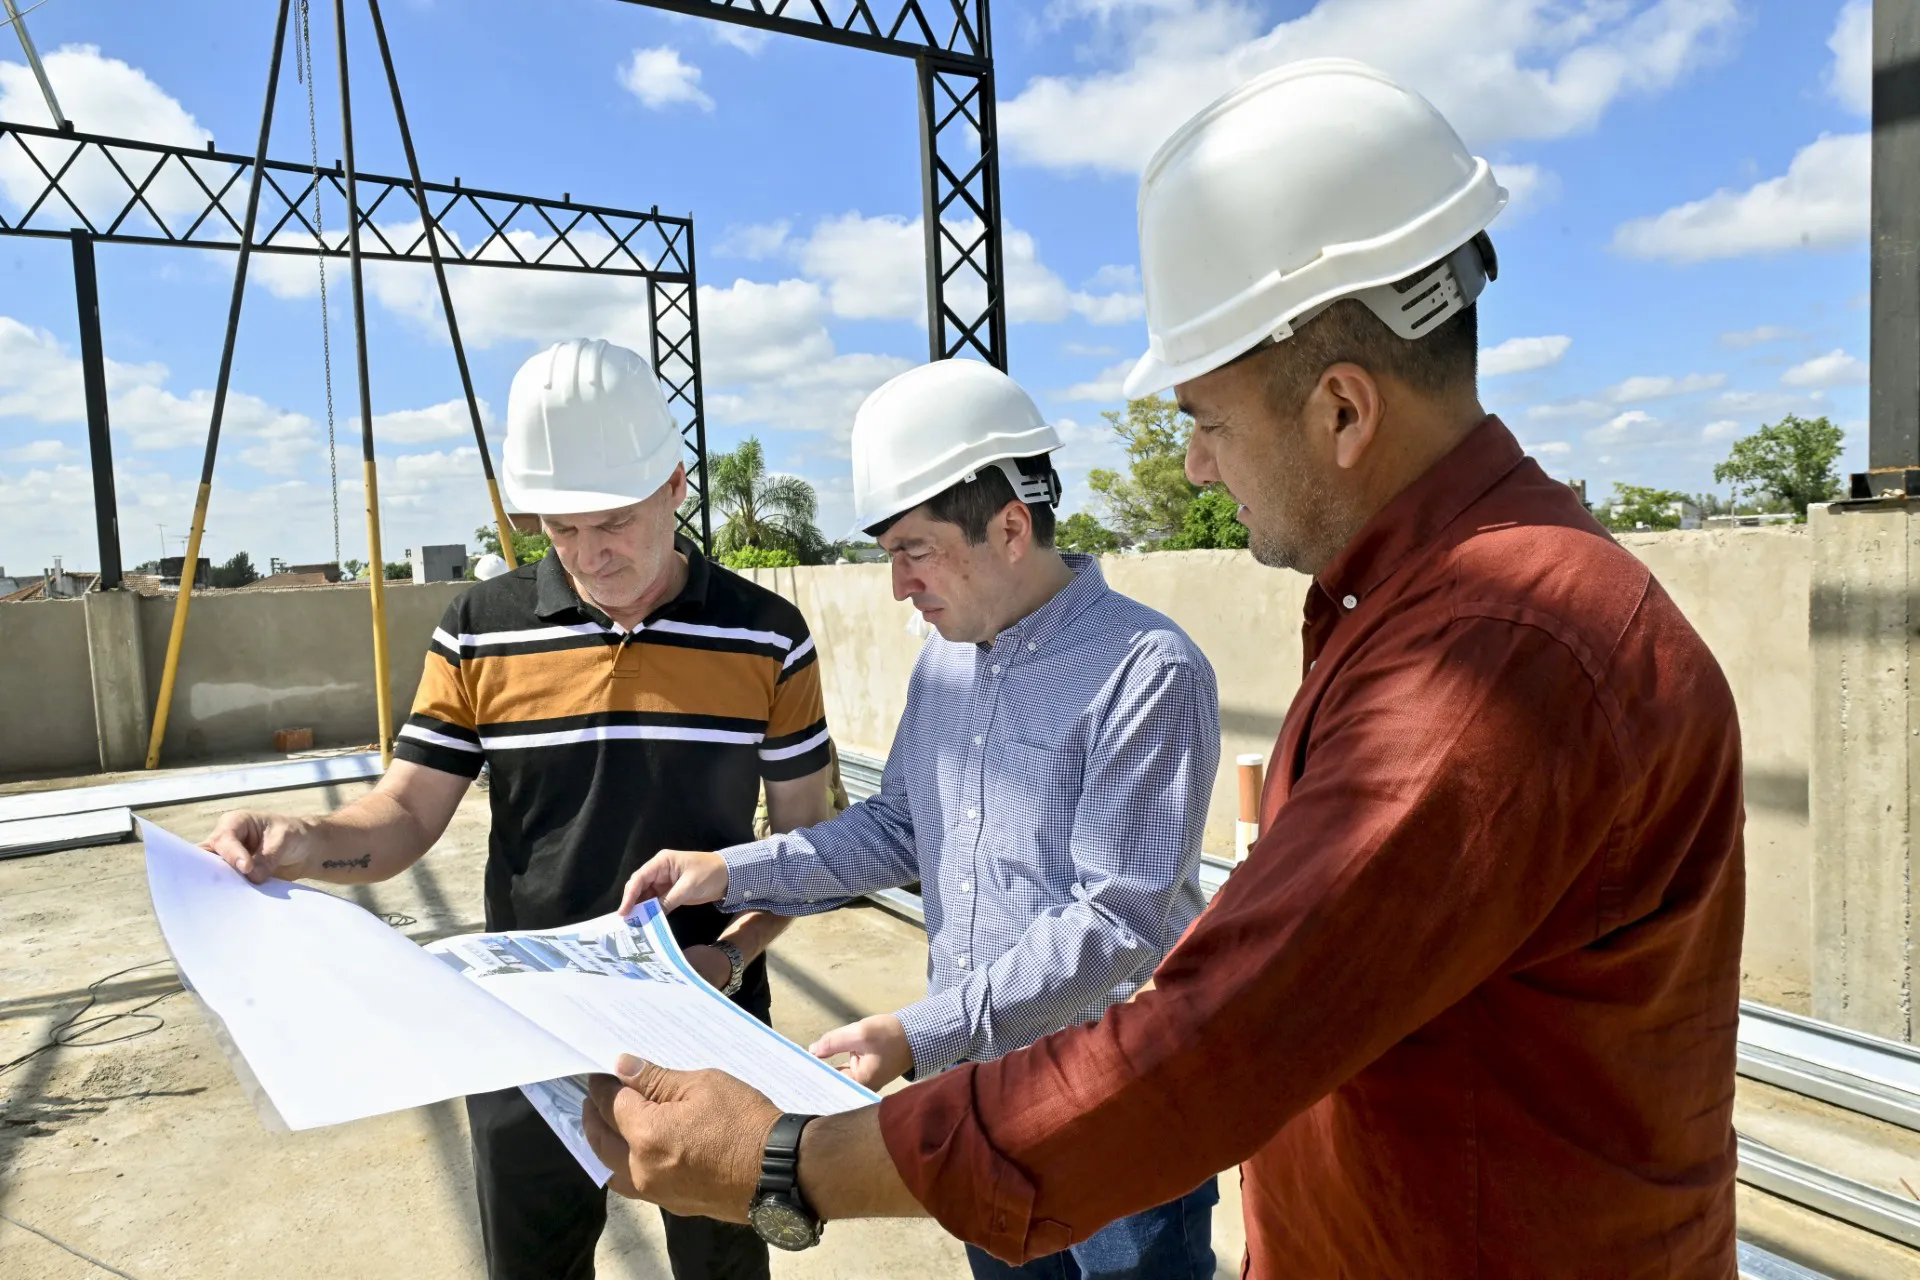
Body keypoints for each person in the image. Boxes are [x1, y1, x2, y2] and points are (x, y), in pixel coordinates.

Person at [574, 59, 1745, 1279]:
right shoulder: (1416, 615)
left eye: (1207, 415)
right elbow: (912, 836)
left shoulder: (1498, 654)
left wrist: (792, 1159)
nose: (1191, 463)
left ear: (1343, 410)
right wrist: (740, 870)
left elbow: (1213, 1034)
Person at [201, 337, 836, 1280]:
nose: (587, 555)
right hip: (524, 1031)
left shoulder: (765, 635)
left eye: (612, 522)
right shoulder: (477, 630)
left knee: (723, 1267)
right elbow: (406, 816)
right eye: (560, 528)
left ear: (675, 485)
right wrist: (307, 841)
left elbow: (813, 850)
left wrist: (730, 955)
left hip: (709, 1020)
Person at [621, 358, 1224, 1280]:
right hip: (979, 1103)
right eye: (888, 554)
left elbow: (1120, 921)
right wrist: (732, 870)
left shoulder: (1145, 670)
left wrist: (917, 1032)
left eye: (915, 549)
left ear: (1012, 526)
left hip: (1114, 1106)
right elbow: (900, 829)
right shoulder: (946, 664)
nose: (898, 584)